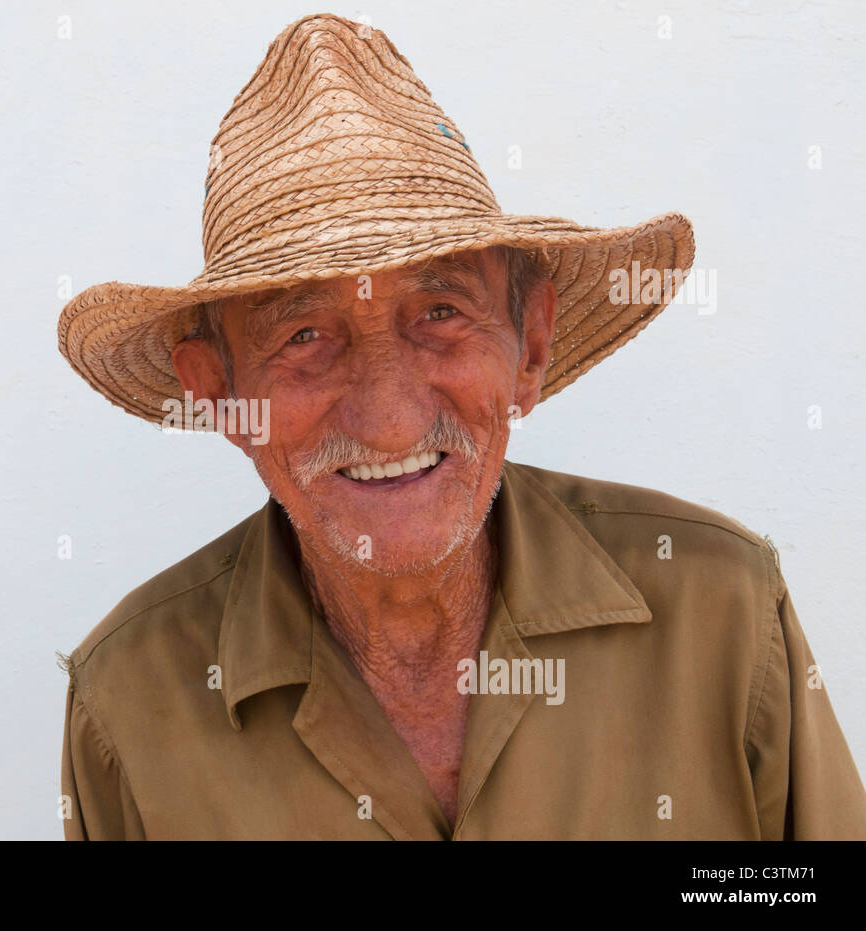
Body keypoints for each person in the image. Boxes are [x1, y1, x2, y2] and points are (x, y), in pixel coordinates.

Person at [55, 13, 866, 839]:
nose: (388, 417)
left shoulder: (721, 614)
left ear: (531, 348)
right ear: (218, 392)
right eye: (304, 335)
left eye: (440, 312)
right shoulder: (128, 708)